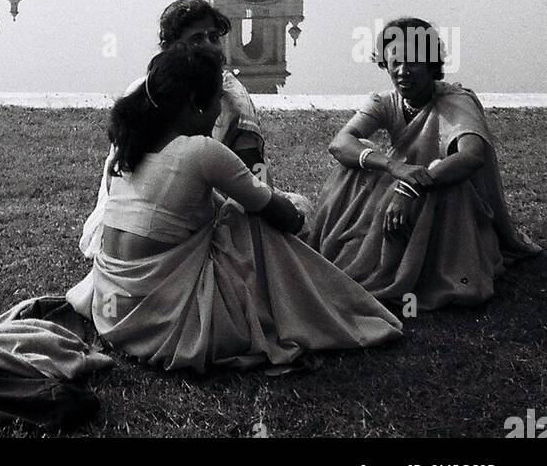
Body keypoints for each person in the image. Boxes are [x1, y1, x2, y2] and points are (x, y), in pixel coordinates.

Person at [66, 42, 402, 373]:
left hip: (112, 314)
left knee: (234, 211)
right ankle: (318, 309)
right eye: (217, 102)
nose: (219, 113)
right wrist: (300, 215)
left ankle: (309, 300)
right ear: (197, 105)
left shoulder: (130, 144)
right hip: (164, 330)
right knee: (252, 219)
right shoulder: (201, 151)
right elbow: (280, 215)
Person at [308, 19, 540, 310]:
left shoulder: (455, 100)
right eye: (395, 62)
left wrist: (408, 189)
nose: (403, 72)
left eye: (413, 63)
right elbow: (340, 143)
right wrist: (393, 167)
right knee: (358, 159)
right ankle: (368, 253)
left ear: (432, 64)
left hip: (446, 200)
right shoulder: (386, 101)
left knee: (446, 180)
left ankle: (417, 269)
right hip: (404, 185)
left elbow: (471, 156)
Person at [78, 0, 270, 261]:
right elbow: (261, 189)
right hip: (165, 231)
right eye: (196, 39)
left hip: (123, 241)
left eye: (213, 37)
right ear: (170, 48)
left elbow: (257, 173)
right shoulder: (149, 92)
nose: (208, 46)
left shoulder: (226, 96)